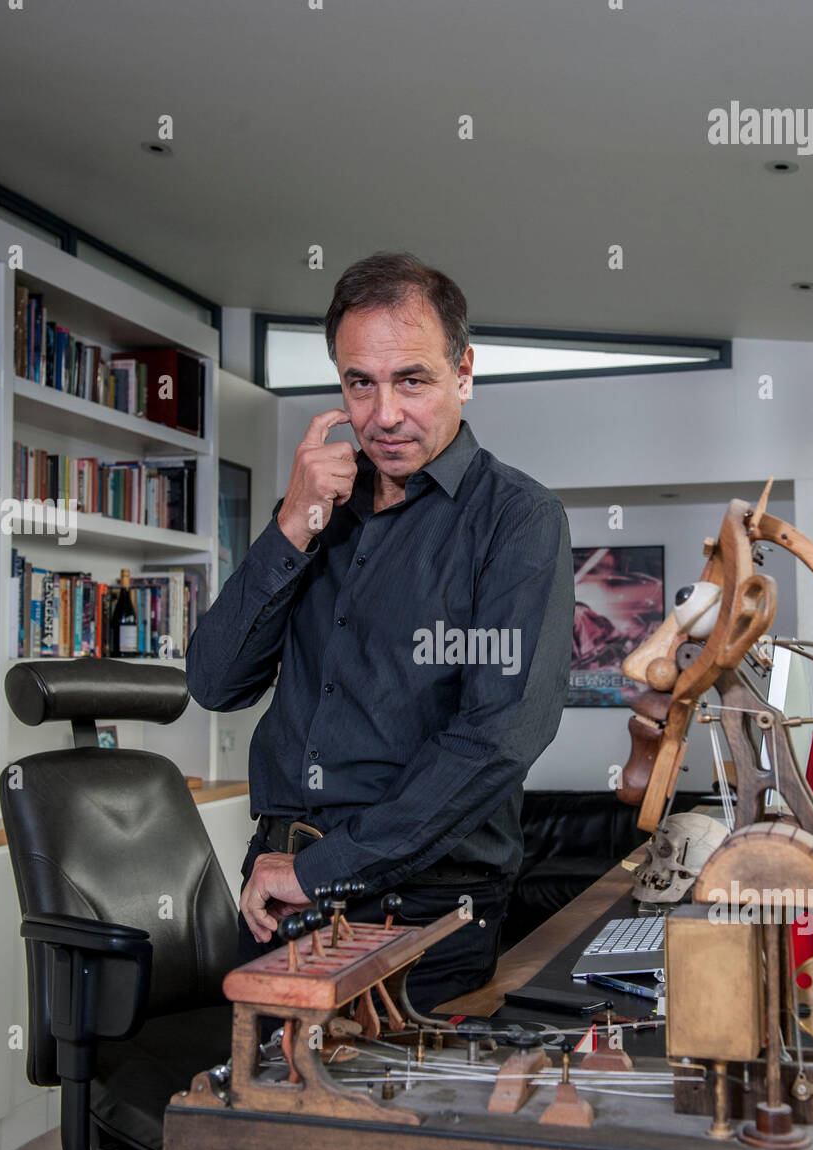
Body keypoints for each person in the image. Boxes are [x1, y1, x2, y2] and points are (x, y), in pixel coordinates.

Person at [186, 252, 575, 1009]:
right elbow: (215, 683)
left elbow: (499, 733)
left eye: (411, 380)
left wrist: (323, 870)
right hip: (276, 890)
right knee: (253, 1118)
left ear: (462, 373)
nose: (383, 413)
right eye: (359, 382)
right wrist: (293, 524)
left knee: (378, 1122)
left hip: (422, 905)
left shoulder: (517, 519)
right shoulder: (314, 507)